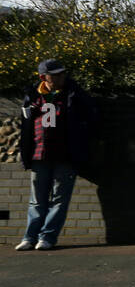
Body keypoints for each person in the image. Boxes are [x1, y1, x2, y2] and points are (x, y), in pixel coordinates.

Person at [17, 59, 98, 251]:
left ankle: (47, 237)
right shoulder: (32, 95)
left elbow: (91, 117)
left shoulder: (75, 94)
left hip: (66, 154)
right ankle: (30, 237)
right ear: (43, 77)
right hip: (39, 154)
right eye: (55, 75)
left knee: (59, 199)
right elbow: (26, 125)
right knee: (37, 199)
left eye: (62, 73)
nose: (61, 77)